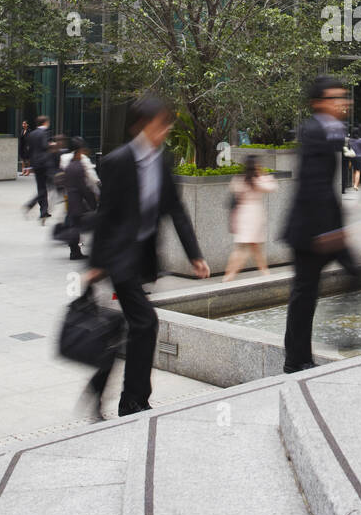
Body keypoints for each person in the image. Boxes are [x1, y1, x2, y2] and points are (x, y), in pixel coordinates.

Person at [82, 95, 210, 419]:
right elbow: (105, 214)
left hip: (143, 259)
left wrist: (195, 255)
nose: (164, 131)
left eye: (166, 125)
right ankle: (134, 402)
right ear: (141, 126)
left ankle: (102, 388)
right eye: (159, 125)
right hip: (118, 257)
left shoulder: (161, 162)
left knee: (130, 327)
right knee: (145, 322)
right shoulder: (117, 161)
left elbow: (176, 212)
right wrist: (95, 264)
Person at [282, 76, 361, 373]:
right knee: (304, 295)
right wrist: (328, 231)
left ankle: (339, 336)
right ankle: (296, 360)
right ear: (318, 103)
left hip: (325, 227)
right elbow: (313, 185)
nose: (343, 102)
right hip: (311, 232)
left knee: (351, 276)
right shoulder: (315, 131)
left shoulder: (329, 129)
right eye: (335, 97)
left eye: (344, 97)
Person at [223, 155, 276, 281]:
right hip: (254, 215)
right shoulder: (257, 181)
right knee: (247, 247)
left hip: (241, 214)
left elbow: (233, 191)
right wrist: (263, 173)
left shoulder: (239, 180)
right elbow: (272, 186)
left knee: (249, 246)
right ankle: (230, 275)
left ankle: (264, 271)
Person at [63, 138, 98, 262]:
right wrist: (92, 201)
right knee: (76, 227)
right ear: (78, 151)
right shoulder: (78, 167)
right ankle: (75, 251)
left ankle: (75, 250)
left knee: (74, 225)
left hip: (70, 200)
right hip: (77, 201)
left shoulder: (69, 165)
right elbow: (83, 188)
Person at [24, 116, 53, 223]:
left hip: (35, 164)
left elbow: (28, 150)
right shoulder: (44, 133)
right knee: (48, 186)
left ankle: (44, 211)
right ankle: (31, 204)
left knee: (41, 187)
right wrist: (51, 144)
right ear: (45, 123)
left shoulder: (32, 134)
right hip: (44, 164)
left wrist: (29, 165)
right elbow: (45, 146)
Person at [348, 124, 361, 190]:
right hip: (359, 157)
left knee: (354, 171)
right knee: (358, 171)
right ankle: (356, 185)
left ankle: (354, 183)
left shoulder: (350, 140)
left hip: (352, 156)